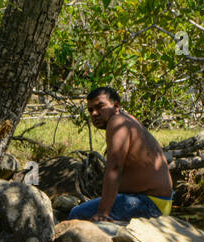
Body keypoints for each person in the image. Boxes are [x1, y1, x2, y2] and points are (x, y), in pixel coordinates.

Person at [68, 87, 173, 222]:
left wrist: (103, 213)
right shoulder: (128, 120)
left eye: (100, 107)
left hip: (149, 204)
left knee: (77, 214)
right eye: (90, 110)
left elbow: (115, 166)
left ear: (116, 106)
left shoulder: (117, 122)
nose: (94, 113)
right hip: (159, 202)